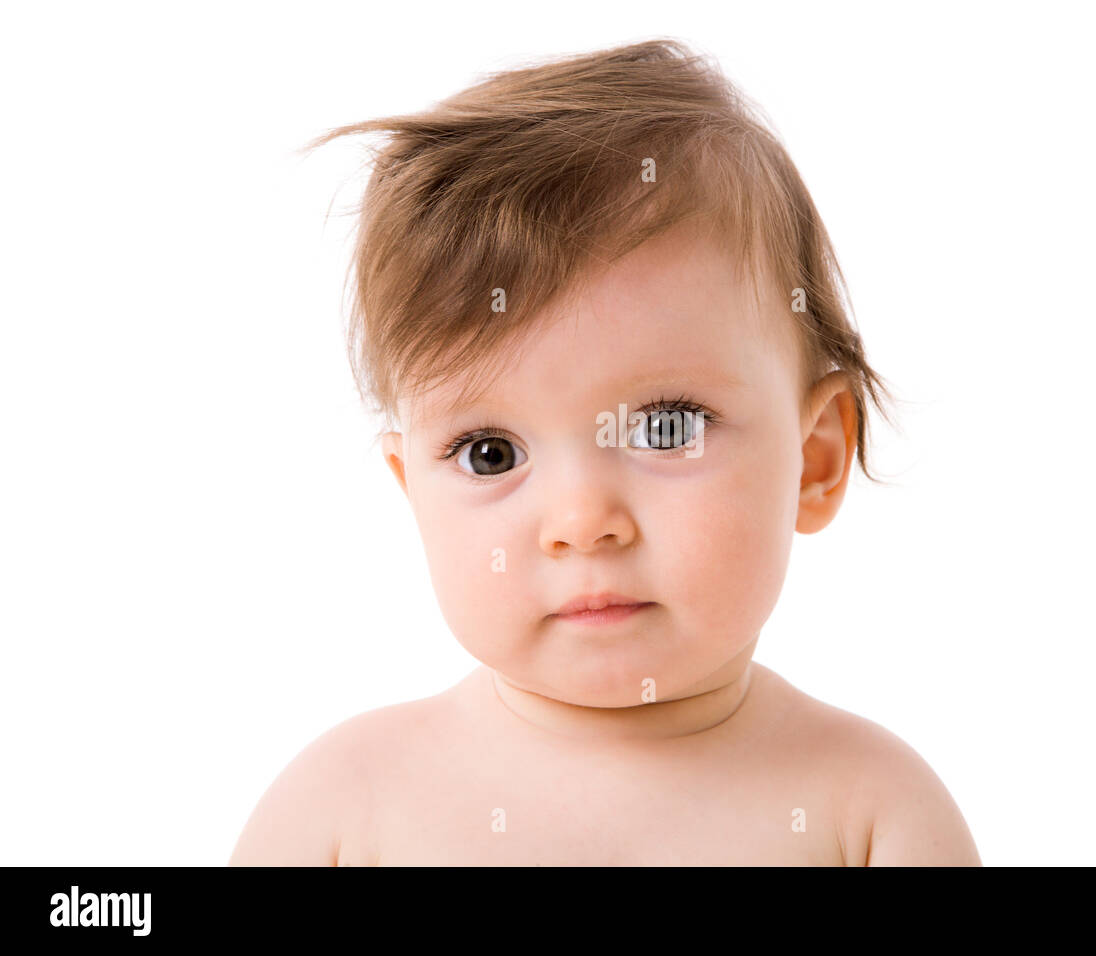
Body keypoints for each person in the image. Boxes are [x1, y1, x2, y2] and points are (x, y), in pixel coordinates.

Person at [229, 37, 980, 866]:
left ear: (816, 460)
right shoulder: (344, 808)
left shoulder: (869, 812)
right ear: (412, 493)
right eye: (489, 453)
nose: (582, 524)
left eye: (665, 427)